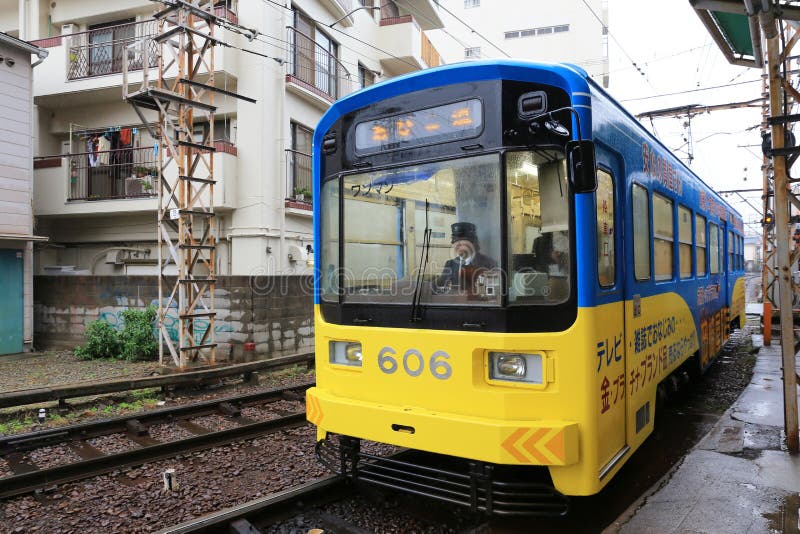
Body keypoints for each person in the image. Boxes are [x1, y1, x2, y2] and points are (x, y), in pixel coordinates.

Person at [435, 222, 497, 291]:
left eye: (461, 240)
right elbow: (439, 287)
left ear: (472, 241)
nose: (457, 244)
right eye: (454, 240)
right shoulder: (450, 264)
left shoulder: (489, 264)